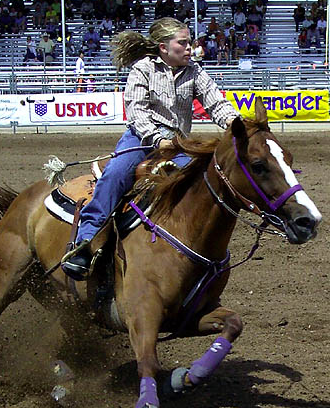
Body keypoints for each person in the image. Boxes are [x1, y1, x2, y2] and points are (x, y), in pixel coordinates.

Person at [62, 17, 239, 280]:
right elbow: (137, 112)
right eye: (184, 43)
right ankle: (84, 242)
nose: (190, 48)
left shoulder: (195, 72)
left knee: (196, 183)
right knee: (116, 175)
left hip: (178, 143)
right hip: (141, 140)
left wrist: (237, 125)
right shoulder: (142, 69)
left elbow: (216, 103)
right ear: (163, 47)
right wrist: (156, 138)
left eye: (189, 42)